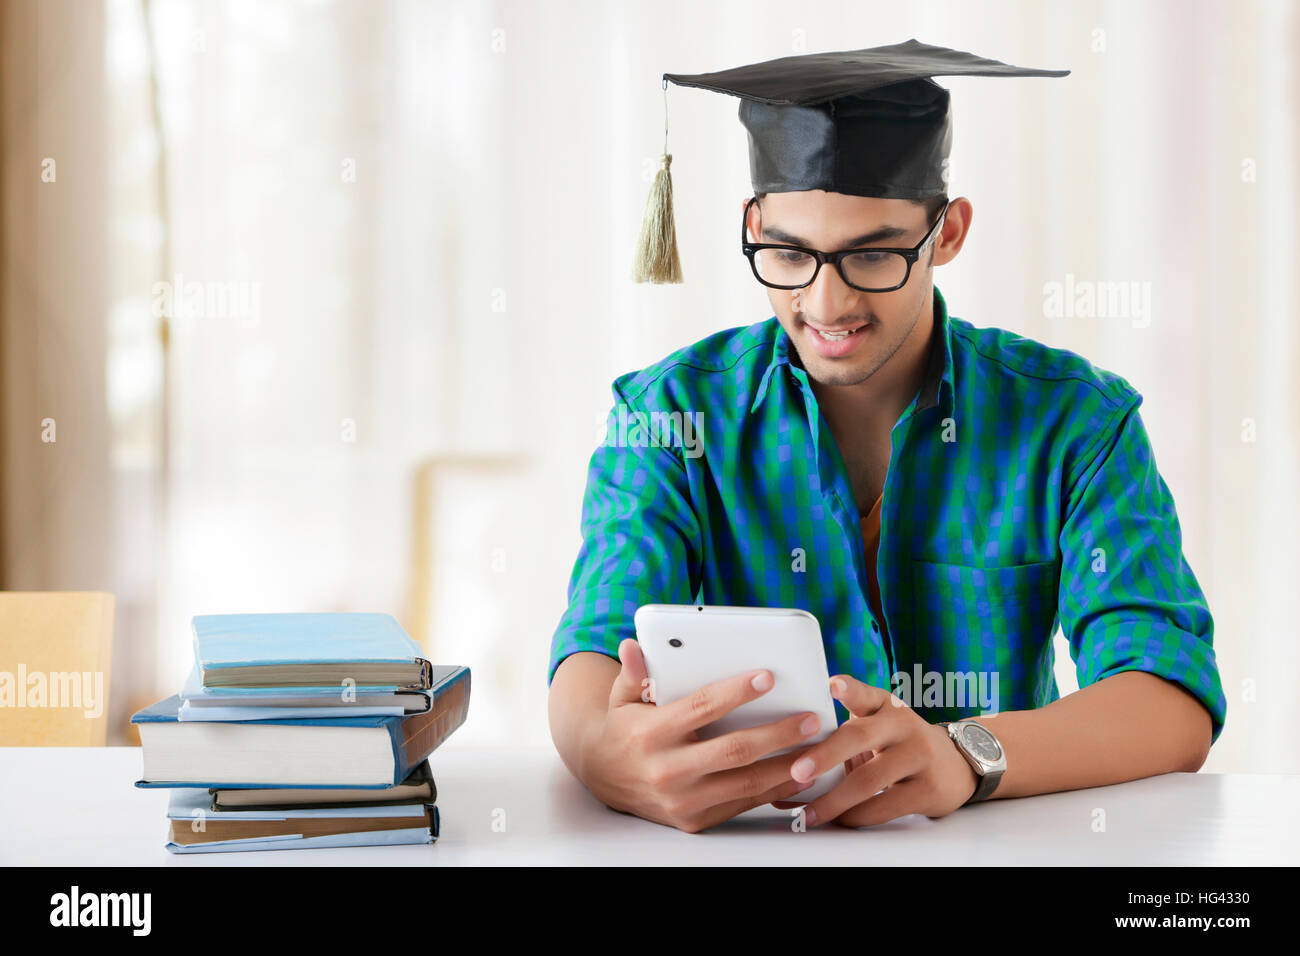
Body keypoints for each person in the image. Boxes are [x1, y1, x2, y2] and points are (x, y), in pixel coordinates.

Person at [547, 40, 1226, 833]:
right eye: (791, 253)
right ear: (752, 225)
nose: (826, 303)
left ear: (948, 233)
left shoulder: (1074, 421)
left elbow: (1169, 699)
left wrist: (963, 755)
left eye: (873, 253)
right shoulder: (667, 418)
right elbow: (594, 647)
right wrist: (602, 750)